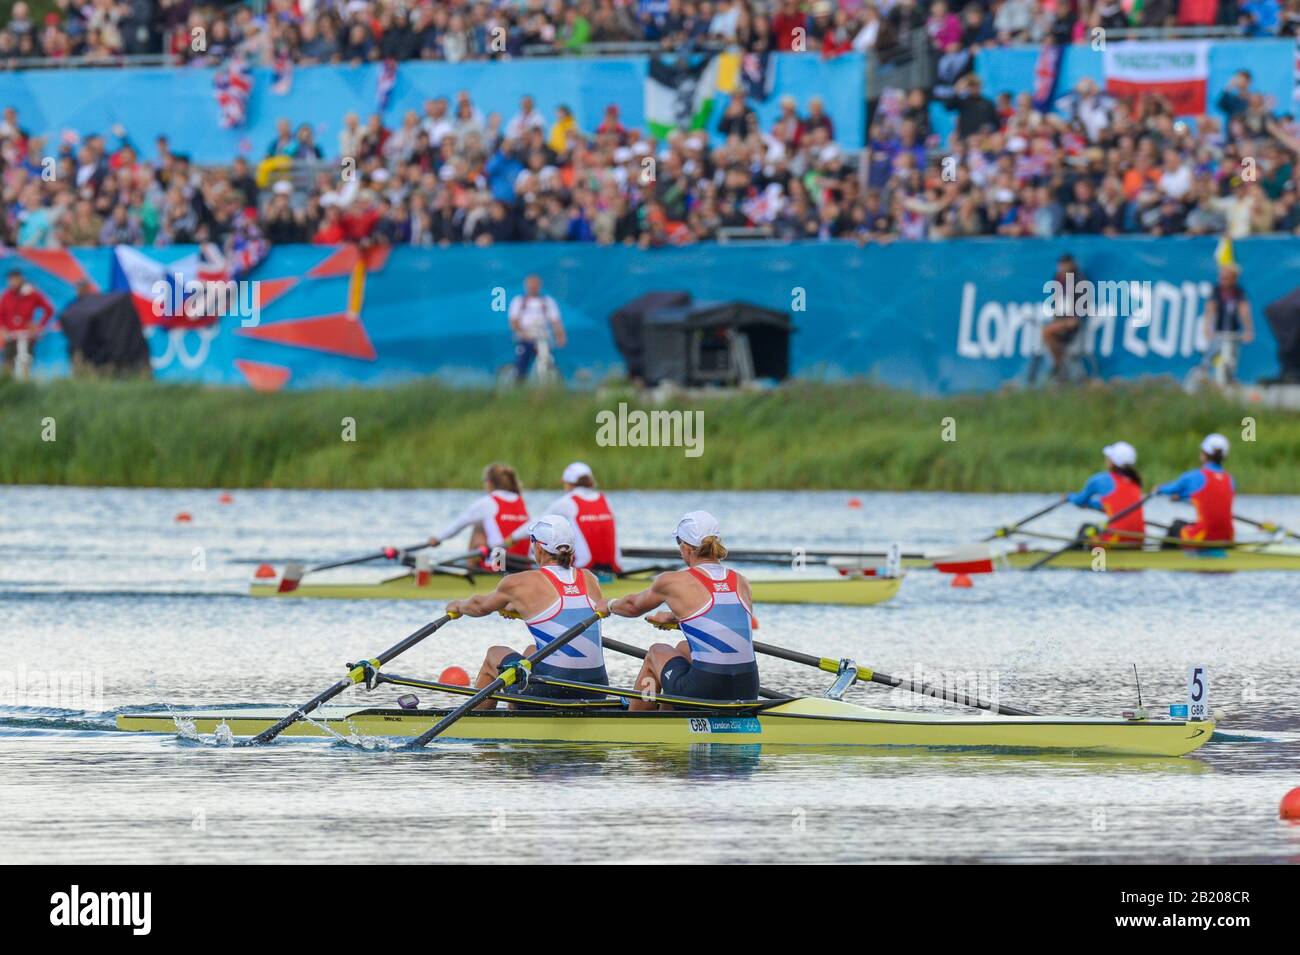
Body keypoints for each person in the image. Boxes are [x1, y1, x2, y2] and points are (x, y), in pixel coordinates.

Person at [446, 515, 609, 706]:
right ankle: (518, 715)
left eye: (532, 541)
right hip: (597, 689)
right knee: (531, 652)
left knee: (494, 654)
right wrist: (516, 607)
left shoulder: (518, 582)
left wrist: (458, 606)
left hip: (554, 690)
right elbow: (563, 609)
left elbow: (479, 606)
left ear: (538, 547)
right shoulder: (590, 578)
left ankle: (479, 724)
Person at [609, 511, 759, 707]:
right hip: (747, 687)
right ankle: (670, 720)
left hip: (707, 688)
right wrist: (676, 617)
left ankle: (639, 722)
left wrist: (608, 605)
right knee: (682, 648)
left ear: (687, 548)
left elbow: (632, 607)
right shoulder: (741, 581)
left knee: (656, 652)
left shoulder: (671, 581)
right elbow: (722, 623)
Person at [510, 462, 623, 573]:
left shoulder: (567, 502)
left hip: (584, 568)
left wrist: (510, 539)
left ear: (569, 483)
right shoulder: (605, 499)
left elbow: (536, 525)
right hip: (613, 568)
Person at [427, 463, 531, 567]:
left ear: (490, 482)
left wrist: (437, 539)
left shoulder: (487, 502)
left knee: (478, 527)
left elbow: (459, 524)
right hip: (524, 564)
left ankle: (470, 570)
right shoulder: (521, 501)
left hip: (500, 564)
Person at [1155, 434, 1236, 545]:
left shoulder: (1195, 476)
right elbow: (1209, 494)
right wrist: (1181, 496)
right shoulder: (1230, 480)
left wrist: (1158, 489)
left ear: (1204, 455)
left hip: (1205, 537)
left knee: (1176, 526)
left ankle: (1164, 560)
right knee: (1191, 524)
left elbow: (1172, 489)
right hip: (1228, 537)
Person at [1066, 441, 1145, 545]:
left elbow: (1079, 501)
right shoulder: (1135, 483)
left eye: (1108, 457)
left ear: (1112, 461)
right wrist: (1092, 504)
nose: (1106, 460)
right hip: (1139, 538)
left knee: (1086, 528)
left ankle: (1077, 559)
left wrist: (1069, 496)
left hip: (1116, 538)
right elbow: (1115, 506)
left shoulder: (1100, 479)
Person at [1200, 263, 1254, 383]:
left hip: (1233, 333)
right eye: (1222, 277)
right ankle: (1203, 378)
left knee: (1231, 361)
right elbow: (1210, 309)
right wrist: (1207, 327)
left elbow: (1244, 310)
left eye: (1226, 277)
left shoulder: (1238, 292)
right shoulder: (1216, 291)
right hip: (1218, 332)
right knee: (1209, 358)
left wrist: (1248, 329)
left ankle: (1228, 380)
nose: (1223, 280)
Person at [507, 274, 566, 382]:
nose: (533, 288)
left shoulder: (547, 302)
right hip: (525, 339)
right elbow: (513, 321)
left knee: (547, 363)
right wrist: (522, 333)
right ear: (526, 286)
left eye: (535, 285)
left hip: (542, 338)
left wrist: (560, 336)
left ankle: (547, 387)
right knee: (521, 365)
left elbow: (555, 321)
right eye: (530, 285)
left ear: (539, 286)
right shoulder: (519, 301)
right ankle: (518, 387)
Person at [0, 269, 55, 379]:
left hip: (27, 336)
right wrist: (3, 327)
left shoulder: (32, 294)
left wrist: (39, 325)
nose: (13, 282)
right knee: (8, 364)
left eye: (15, 279)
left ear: (21, 279)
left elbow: (49, 309)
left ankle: (25, 387)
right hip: (11, 336)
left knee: (26, 363)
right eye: (10, 280)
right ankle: (8, 387)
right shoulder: (6, 295)